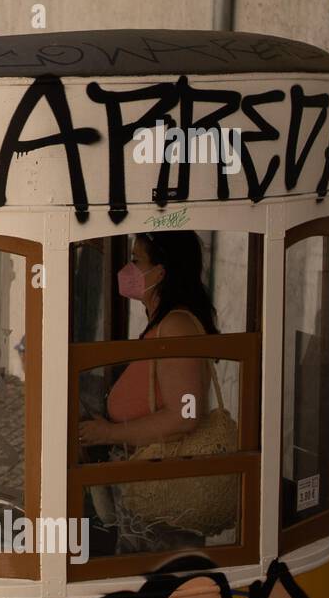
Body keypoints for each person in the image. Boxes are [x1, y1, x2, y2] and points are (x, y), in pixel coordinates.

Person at [78, 231, 227, 550]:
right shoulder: (163, 324)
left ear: (160, 272)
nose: (125, 271)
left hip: (163, 489)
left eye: (135, 261)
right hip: (144, 482)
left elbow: (185, 416)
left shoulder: (176, 327)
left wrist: (108, 434)